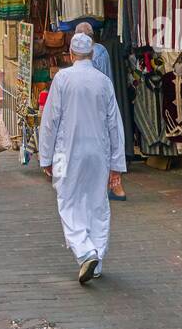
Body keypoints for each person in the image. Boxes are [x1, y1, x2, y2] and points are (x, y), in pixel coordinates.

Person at [39, 32, 126, 285]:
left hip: (66, 154)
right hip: (98, 153)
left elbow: (51, 120)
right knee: (97, 204)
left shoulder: (62, 79)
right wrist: (117, 164)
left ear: (71, 54)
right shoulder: (104, 81)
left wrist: (46, 157)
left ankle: (85, 251)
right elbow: (114, 124)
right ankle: (96, 256)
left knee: (68, 200)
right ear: (91, 54)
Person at [75, 22, 126, 201]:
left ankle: (107, 184)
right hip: (98, 104)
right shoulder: (101, 51)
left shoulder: (93, 54)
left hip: (89, 106)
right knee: (106, 142)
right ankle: (111, 184)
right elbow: (106, 79)